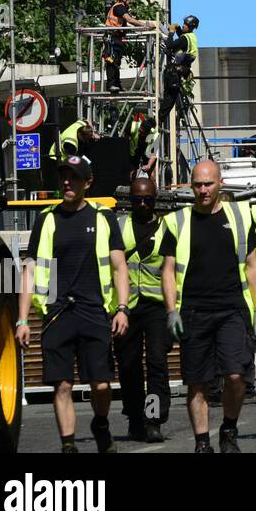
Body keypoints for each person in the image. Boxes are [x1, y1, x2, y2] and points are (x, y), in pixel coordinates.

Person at [16, 155, 131, 453]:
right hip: (58, 313)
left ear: (88, 183)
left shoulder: (103, 217)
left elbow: (119, 266)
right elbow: (29, 269)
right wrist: (23, 320)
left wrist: (122, 308)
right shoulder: (47, 218)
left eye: (75, 177)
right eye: (64, 177)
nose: (67, 182)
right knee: (62, 385)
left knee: (101, 385)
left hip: (94, 311)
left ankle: (101, 423)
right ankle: (68, 445)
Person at [160, 159, 256, 453]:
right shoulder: (177, 221)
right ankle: (202, 443)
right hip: (193, 312)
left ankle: (228, 430)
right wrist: (171, 311)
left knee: (235, 376)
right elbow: (168, 270)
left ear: (220, 183)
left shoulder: (241, 216)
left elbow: (252, 265)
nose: (203, 190)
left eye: (208, 184)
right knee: (197, 382)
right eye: (198, 184)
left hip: (232, 309)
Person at [114, 177, 170, 442]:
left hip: (157, 305)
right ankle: (134, 418)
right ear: (131, 200)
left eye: (149, 199)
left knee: (157, 363)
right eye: (138, 199)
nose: (144, 204)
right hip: (127, 306)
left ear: (155, 199)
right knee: (128, 365)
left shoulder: (165, 228)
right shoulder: (119, 227)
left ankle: (152, 420)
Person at [104, 0, 154, 93]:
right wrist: (145, 25)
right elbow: (130, 20)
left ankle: (116, 84)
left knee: (116, 62)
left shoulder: (121, 8)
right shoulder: (119, 7)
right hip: (113, 38)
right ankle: (111, 85)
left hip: (117, 37)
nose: (130, 1)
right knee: (112, 61)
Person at [166, 14, 200, 99]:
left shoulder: (185, 38)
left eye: (185, 24)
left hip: (183, 60)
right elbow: (182, 38)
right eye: (184, 23)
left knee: (169, 51)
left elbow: (170, 45)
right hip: (188, 59)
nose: (183, 25)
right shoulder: (191, 36)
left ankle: (183, 69)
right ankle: (185, 70)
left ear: (190, 27)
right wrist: (178, 29)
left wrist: (171, 33)